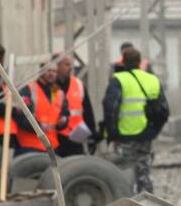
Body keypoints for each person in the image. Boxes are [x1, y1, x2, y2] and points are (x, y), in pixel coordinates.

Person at [103, 45, 167, 195]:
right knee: (143, 172)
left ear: (123, 62)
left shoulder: (118, 80)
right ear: (139, 62)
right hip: (145, 135)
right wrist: (153, 131)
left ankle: (127, 205)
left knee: (124, 173)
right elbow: (164, 111)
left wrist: (112, 133)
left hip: (124, 136)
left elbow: (110, 108)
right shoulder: (152, 80)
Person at [13, 62, 68, 156]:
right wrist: (38, 126)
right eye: (48, 71)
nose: (51, 74)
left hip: (51, 146)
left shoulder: (58, 92)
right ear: (41, 72)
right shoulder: (29, 89)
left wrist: (63, 122)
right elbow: (21, 116)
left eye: (54, 71)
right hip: (29, 145)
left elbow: (65, 114)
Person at [54, 53, 96, 157]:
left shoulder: (78, 84)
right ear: (56, 66)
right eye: (67, 64)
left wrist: (92, 135)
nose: (70, 68)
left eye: (70, 65)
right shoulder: (49, 85)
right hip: (55, 137)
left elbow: (88, 111)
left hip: (76, 137)